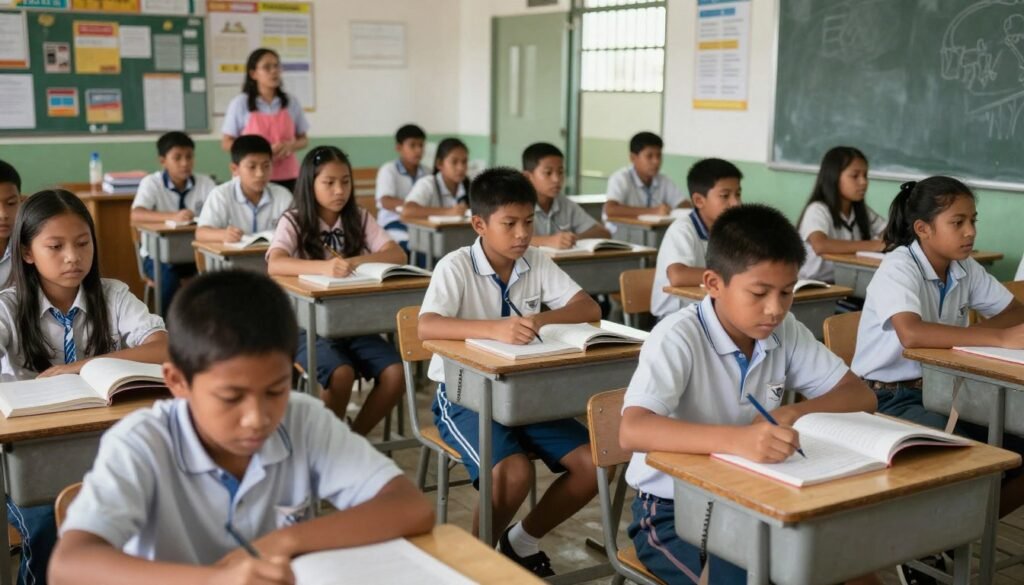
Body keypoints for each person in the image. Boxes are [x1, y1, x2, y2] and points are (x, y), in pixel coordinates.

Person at [49, 270, 433, 585]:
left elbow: (409, 506)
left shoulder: (302, 418)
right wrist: (215, 580)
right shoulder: (142, 443)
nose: (258, 417)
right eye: (231, 397)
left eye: (276, 389)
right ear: (178, 381)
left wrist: (284, 540)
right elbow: (69, 565)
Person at [620, 204, 877, 584]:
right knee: (746, 574)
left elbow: (859, 395)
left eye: (787, 292)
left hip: (757, 497)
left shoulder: (783, 330)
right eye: (759, 293)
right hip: (674, 510)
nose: (775, 309)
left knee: (853, 573)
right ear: (713, 283)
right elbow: (632, 430)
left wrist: (792, 414)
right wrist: (738, 440)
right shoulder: (678, 337)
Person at [418, 168, 600, 576]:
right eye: (510, 224)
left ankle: (519, 541)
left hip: (526, 394)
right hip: (465, 394)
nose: (522, 234)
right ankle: (477, 563)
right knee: (512, 473)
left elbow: (589, 307)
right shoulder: (456, 266)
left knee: (594, 463)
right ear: (479, 224)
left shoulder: (535, 260)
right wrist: (492, 329)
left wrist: (540, 320)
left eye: (529, 222)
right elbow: (427, 326)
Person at [1, 189, 168, 585]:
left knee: (147, 517)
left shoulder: (113, 295)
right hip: (30, 458)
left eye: (82, 243)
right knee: (48, 529)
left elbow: (162, 347)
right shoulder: (7, 307)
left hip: (102, 444)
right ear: (27, 253)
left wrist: (82, 367)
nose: (72, 257)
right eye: (55, 247)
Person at [267, 146, 406, 434]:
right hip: (306, 325)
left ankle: (352, 439)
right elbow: (275, 263)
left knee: (396, 373)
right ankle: (328, 446)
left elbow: (397, 254)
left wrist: (356, 261)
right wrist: (323, 267)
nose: (339, 190)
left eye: (345, 181)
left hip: (354, 322)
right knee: (340, 375)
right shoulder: (294, 219)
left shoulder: (359, 217)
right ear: (310, 183)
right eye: (328, 183)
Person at [131, 131, 217, 307]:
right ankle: (167, 327)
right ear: (163, 161)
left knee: (217, 278)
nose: (185, 163)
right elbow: (136, 215)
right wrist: (172, 217)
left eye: (189, 157)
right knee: (168, 279)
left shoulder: (206, 183)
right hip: (158, 257)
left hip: (195, 254)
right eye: (177, 158)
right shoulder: (151, 183)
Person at [650, 158, 742, 320]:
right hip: (675, 318)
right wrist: (731, 275)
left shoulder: (730, 231)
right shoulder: (683, 229)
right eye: (725, 196)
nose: (736, 203)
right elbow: (678, 276)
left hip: (710, 312)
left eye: (738, 194)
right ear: (699, 200)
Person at [221, 48, 310, 192]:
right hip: (252, 177)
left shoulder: (290, 102)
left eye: (276, 66)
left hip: (288, 176)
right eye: (267, 67)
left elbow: (304, 139)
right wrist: (259, 151)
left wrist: (290, 146)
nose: (274, 71)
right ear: (253, 73)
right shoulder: (240, 103)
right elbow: (226, 143)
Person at [797, 146, 886, 283]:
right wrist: (873, 245)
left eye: (865, 175)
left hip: (844, 284)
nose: (863, 182)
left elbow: (889, 231)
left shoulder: (861, 211)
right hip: (813, 284)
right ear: (834, 177)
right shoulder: (818, 209)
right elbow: (821, 245)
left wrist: (885, 239)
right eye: (855, 176)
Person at [196, 135, 293, 243]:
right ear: (235, 169)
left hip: (272, 258)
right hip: (234, 258)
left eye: (266, 166)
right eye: (252, 167)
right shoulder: (221, 194)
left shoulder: (283, 195)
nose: (260, 174)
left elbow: (297, 230)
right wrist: (223, 234)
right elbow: (201, 233)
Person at [375, 124, 429, 249]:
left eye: (421, 145)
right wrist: (413, 208)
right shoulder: (389, 170)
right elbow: (386, 201)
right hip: (393, 222)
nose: (418, 150)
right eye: (412, 145)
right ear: (399, 147)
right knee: (414, 244)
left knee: (434, 243)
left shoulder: (427, 172)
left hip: (421, 223)